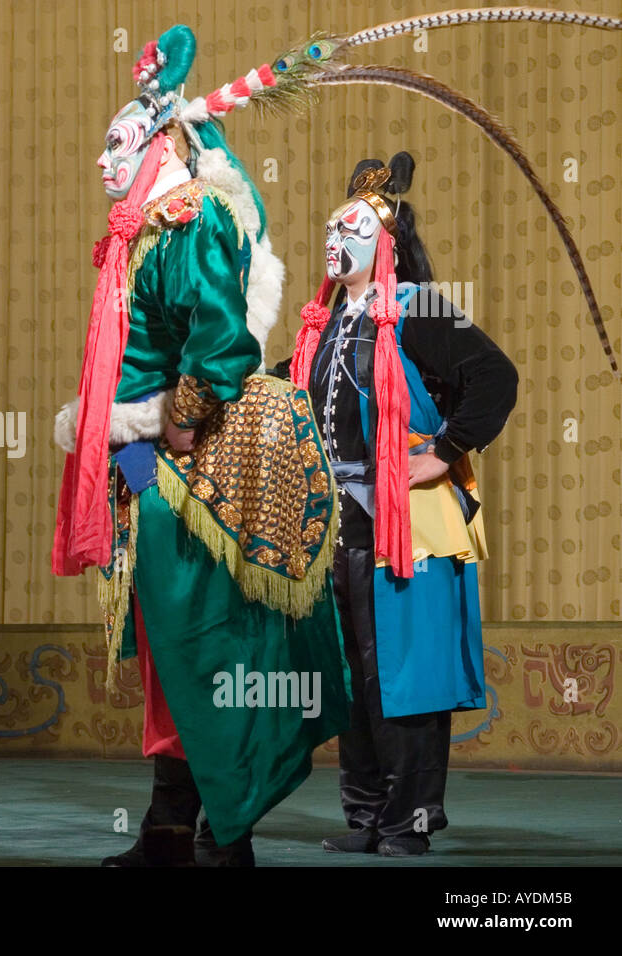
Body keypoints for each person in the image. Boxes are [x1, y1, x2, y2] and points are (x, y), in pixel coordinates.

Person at [53, 24, 350, 867]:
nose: (105, 157)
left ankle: (227, 831)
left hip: (186, 458)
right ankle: (170, 827)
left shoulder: (190, 219)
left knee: (204, 640)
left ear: (163, 141)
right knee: (162, 645)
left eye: (119, 141)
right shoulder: (138, 230)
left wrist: (179, 422)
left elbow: (221, 344)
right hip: (141, 455)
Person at [288, 152, 517, 856]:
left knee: (406, 671)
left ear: (384, 243)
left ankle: (409, 821)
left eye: (350, 228)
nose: (335, 240)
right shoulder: (321, 325)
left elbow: (495, 377)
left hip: (407, 524)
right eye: (330, 227)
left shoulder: (418, 310)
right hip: (339, 523)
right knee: (354, 673)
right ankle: (366, 816)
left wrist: (442, 452)